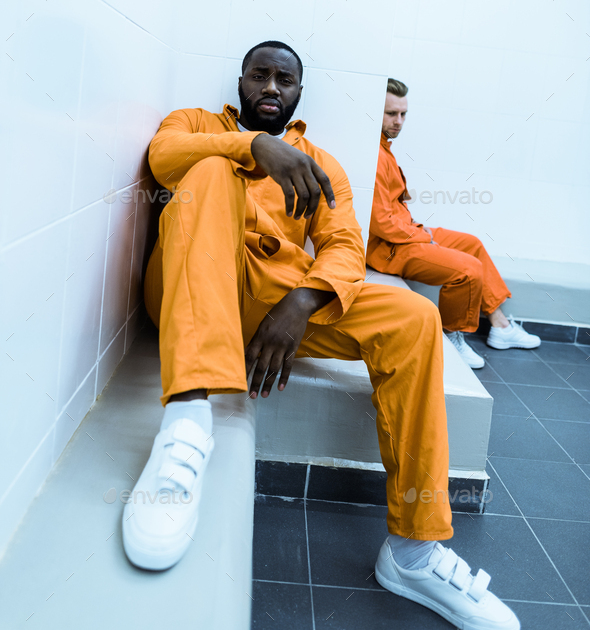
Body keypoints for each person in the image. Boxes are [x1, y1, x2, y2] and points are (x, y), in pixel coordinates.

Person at [123, 42, 520, 630]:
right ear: (240, 82)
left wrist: (303, 302)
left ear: (299, 94)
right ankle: (186, 424)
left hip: (277, 305)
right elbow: (162, 158)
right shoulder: (197, 126)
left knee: (413, 318)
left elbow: (342, 246)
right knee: (205, 171)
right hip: (191, 286)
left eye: (285, 79)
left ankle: (414, 550)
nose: (271, 87)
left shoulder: (322, 163)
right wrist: (253, 146)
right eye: (260, 74)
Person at [367, 79, 540, 369]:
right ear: (373, 112)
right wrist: (421, 237)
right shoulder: (372, 155)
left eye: (403, 114)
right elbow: (382, 224)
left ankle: (499, 325)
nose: (399, 121)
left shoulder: (385, 149)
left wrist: (419, 233)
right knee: (467, 269)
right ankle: (450, 337)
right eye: (391, 114)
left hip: (406, 234)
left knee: (471, 244)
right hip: (388, 247)